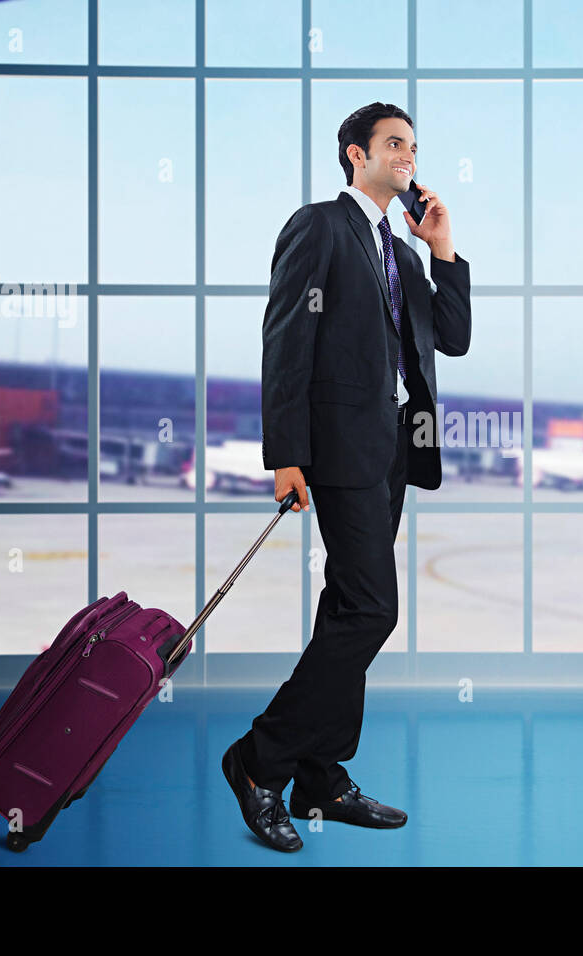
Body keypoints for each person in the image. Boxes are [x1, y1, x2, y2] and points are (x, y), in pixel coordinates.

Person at [222, 102, 472, 852]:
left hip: (393, 448)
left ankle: (321, 776)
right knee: (370, 611)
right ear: (356, 155)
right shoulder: (320, 227)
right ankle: (259, 760)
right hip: (335, 448)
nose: (408, 155)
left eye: (415, 146)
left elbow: (451, 340)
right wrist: (286, 454)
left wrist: (443, 251)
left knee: (347, 608)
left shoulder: (400, 252)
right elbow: (286, 341)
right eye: (394, 143)